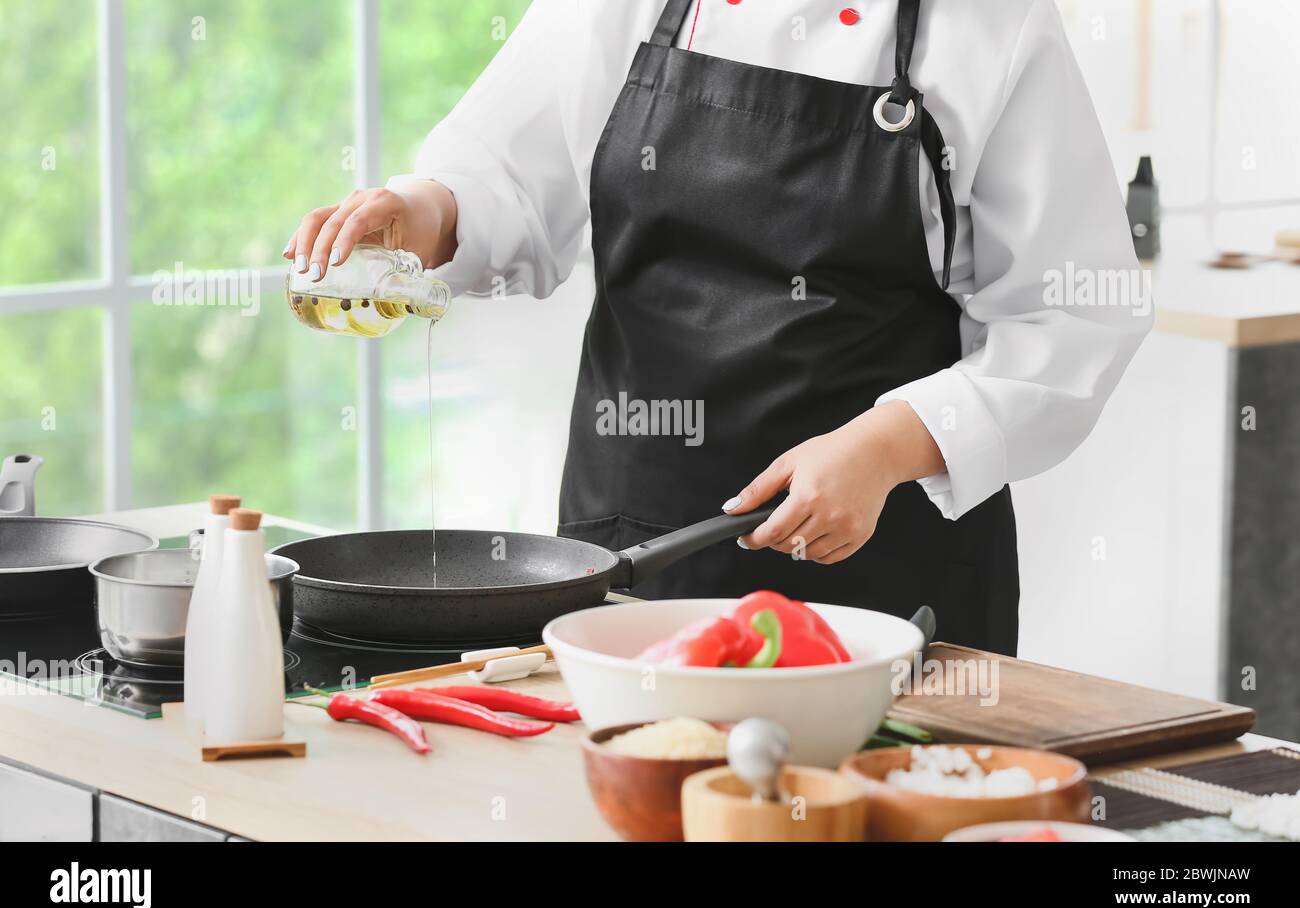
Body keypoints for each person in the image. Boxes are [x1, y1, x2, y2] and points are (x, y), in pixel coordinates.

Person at [285, 0, 1150, 654]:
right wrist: (422, 212)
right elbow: (508, 174)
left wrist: (886, 448)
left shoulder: (987, 21)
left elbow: (1077, 308)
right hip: (632, 555)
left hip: (888, 578)